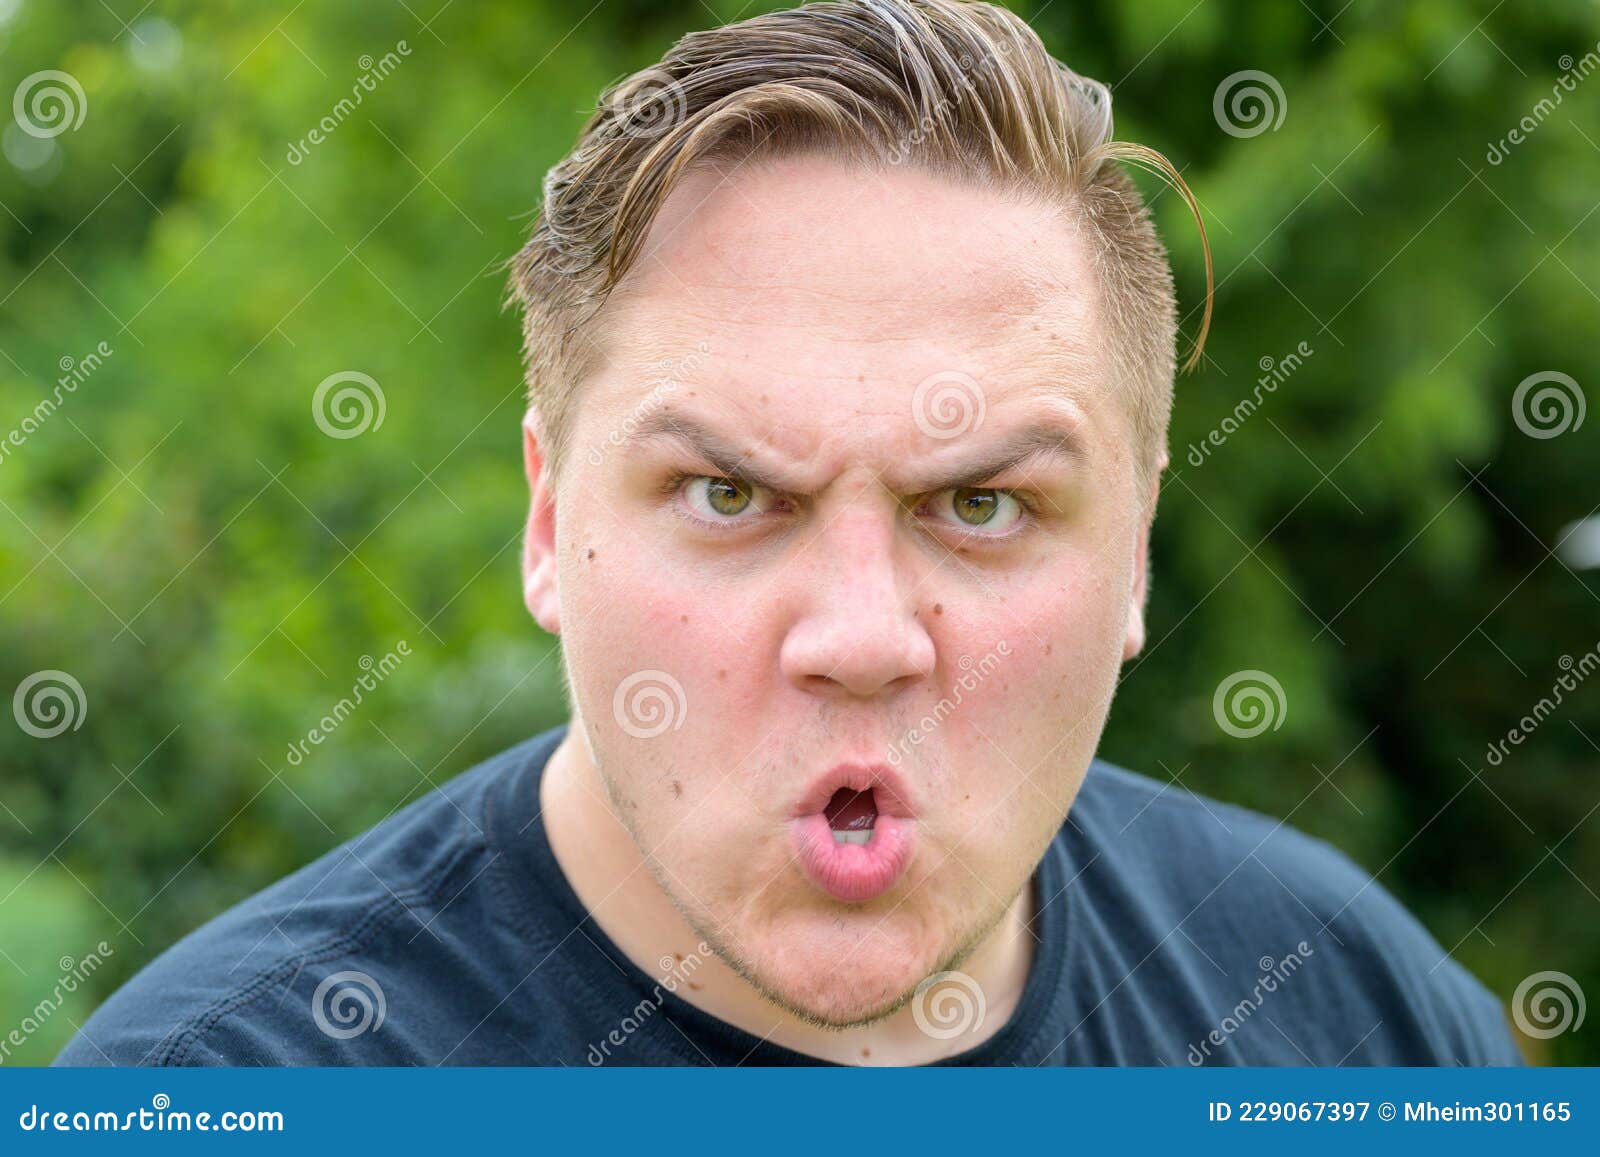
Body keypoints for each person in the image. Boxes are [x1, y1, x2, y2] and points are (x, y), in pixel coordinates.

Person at [57, 0, 1520, 1067]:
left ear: (1134, 545)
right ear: (552, 522)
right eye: (730, 494)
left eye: (984, 504)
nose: (863, 636)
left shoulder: (1356, 1022)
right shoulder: (230, 1084)